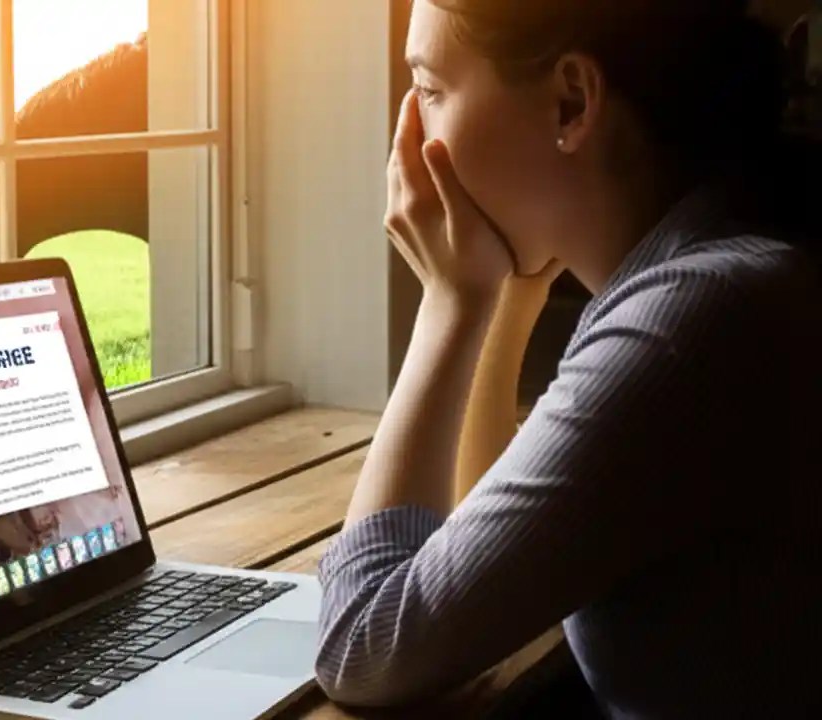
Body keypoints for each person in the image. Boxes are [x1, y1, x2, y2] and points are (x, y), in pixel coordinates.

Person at [315, 1, 822, 717]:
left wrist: (450, 306)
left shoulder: (694, 319)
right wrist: (508, 297)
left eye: (429, 90)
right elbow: (489, 565)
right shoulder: (720, 270)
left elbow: (364, 650)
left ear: (571, 103)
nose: (407, 139)